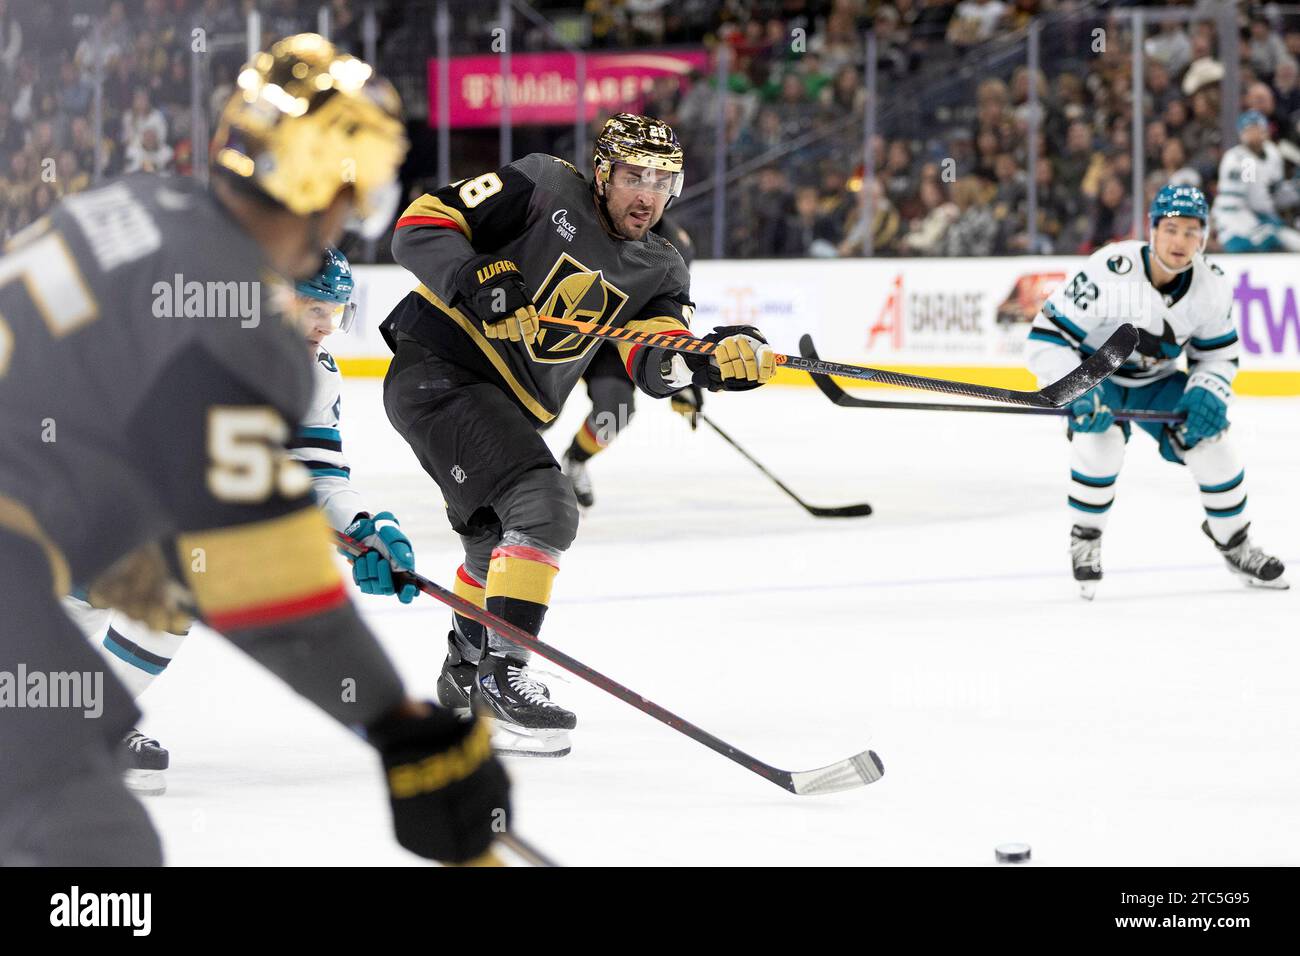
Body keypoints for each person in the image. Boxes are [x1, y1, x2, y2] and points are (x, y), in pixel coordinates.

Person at [0, 34, 505, 865]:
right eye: (355, 190)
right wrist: (399, 725)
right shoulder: (238, 320)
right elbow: (255, 572)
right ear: (317, 181)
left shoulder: (138, 204)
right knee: (95, 855)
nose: (354, 215)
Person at [381, 113, 775, 756]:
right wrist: (479, 278)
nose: (646, 195)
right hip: (440, 371)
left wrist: (712, 361)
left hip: (498, 403)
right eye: (632, 176)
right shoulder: (541, 185)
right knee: (544, 503)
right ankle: (503, 679)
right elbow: (420, 224)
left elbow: (657, 357)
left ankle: (463, 672)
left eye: (661, 180)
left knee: (492, 544)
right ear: (602, 173)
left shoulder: (661, 269)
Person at [62, 247, 422, 796]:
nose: (326, 325)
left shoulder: (316, 376)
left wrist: (365, 530)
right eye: (314, 306)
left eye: (336, 310)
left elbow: (318, 473)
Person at [1026, 184, 1287, 600]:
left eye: (1190, 231)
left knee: (1214, 447)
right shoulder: (1109, 269)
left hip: (1157, 383)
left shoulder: (1211, 286)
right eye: (1170, 229)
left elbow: (1217, 358)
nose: (1180, 241)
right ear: (1151, 230)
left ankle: (1236, 545)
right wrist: (1075, 388)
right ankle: (1086, 538)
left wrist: (1208, 392)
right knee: (1101, 443)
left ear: (1204, 237)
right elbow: (1046, 337)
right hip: (1098, 376)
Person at [558, 212, 702, 508]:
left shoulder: (674, 247)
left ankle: (575, 460)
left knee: (617, 410)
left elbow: (668, 311)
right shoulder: (579, 210)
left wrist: (681, 376)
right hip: (559, 325)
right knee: (535, 410)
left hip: (610, 345)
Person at [1211, 110, 1300, 252]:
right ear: (1241, 134)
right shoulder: (1242, 160)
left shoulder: (1272, 153)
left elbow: (1276, 192)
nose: (1254, 133)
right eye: (1249, 129)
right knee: (1267, 243)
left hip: (1262, 217)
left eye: (1257, 128)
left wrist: (1295, 189)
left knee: (1294, 243)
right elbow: (1243, 203)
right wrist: (1265, 222)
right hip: (1234, 221)